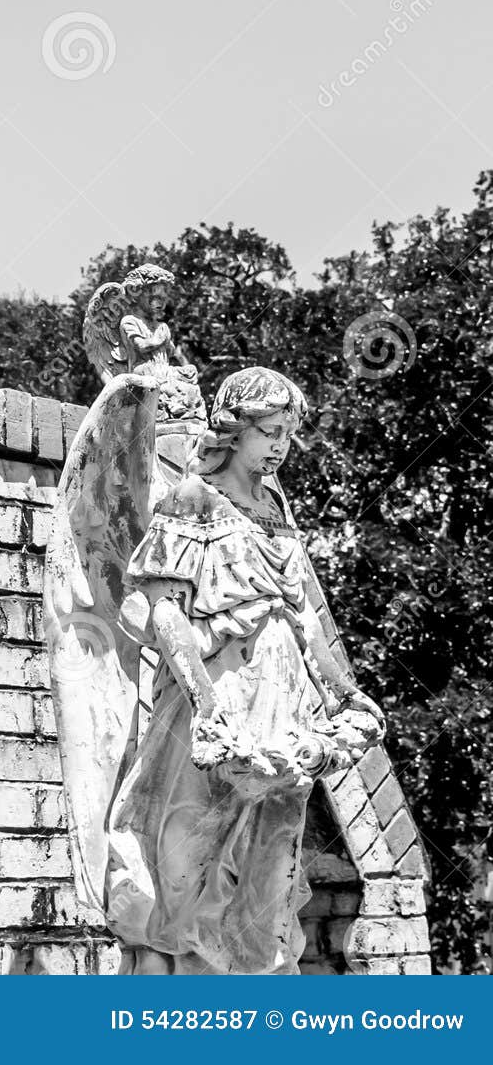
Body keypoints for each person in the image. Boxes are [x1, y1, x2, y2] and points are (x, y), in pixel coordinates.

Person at [105, 366, 384, 974]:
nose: (282, 445)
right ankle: (168, 974)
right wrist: (209, 709)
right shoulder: (192, 499)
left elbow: (305, 617)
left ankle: (254, 977)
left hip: (286, 706)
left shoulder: (275, 508)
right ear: (235, 432)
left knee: (273, 851)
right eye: (271, 431)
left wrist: (346, 693)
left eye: (288, 432)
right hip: (218, 697)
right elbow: (163, 611)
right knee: (188, 847)